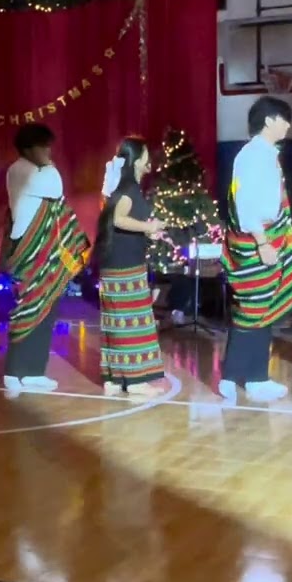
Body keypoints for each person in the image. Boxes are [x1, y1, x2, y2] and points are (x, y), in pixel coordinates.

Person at [217, 96, 292, 403]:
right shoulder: (252, 155)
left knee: (264, 309)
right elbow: (246, 203)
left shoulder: (267, 154)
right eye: (284, 119)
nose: (288, 126)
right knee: (252, 309)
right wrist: (263, 241)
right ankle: (230, 376)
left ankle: (256, 378)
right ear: (269, 120)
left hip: (270, 235)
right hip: (258, 240)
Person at [1, 123, 90, 393]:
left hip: (44, 248)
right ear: (29, 148)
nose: (49, 152)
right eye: (44, 146)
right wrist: (49, 164)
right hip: (30, 248)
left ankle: (34, 371)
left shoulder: (33, 169)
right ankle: (15, 370)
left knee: (46, 309)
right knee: (29, 308)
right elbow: (56, 187)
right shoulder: (23, 170)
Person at [95, 137, 168, 396]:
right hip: (125, 264)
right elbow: (118, 219)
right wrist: (148, 227)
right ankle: (136, 381)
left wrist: (148, 232)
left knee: (117, 320)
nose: (150, 160)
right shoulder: (128, 189)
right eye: (146, 154)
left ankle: (114, 379)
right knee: (132, 320)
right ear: (137, 160)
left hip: (116, 261)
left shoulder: (125, 187)